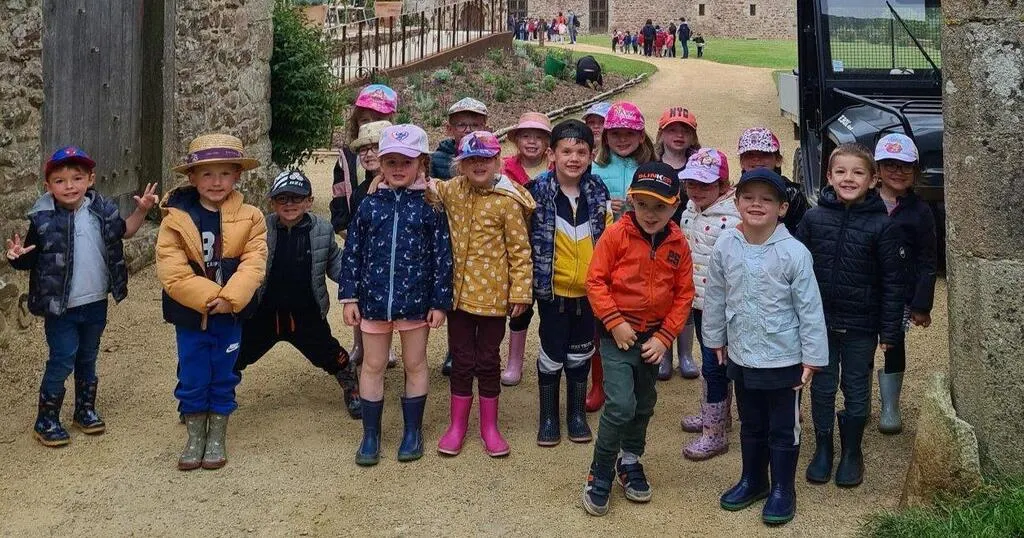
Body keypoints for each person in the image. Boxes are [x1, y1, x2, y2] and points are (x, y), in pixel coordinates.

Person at [7, 146, 157, 447]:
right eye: (60, 181)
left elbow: (124, 232)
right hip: (60, 307)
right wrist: (15, 257)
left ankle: (84, 409)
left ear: (90, 179)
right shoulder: (42, 219)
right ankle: (46, 418)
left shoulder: (102, 210)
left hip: (94, 302)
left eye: (77, 178)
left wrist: (142, 210)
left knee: (88, 357)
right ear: (48, 186)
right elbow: (29, 258)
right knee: (62, 358)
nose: (69, 186)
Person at [705, 167, 828, 526]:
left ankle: (782, 489)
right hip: (742, 353)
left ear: (782, 208)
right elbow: (715, 294)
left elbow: (809, 308)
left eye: (767, 199)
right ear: (736, 201)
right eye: (748, 197)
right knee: (751, 422)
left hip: (784, 356)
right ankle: (753, 479)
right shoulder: (726, 244)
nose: (756, 204)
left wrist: (813, 356)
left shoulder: (794, 253)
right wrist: (714, 337)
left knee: (783, 426)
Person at [581, 161, 695, 516]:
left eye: (660, 206)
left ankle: (629, 461)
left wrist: (665, 337)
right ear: (631, 200)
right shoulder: (616, 234)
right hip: (618, 336)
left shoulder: (679, 243)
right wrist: (614, 321)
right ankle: (599, 470)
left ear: (676, 205)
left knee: (644, 403)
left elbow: (683, 295)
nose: (650, 213)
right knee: (621, 405)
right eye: (642, 204)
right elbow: (595, 281)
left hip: (653, 339)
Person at [340, 124, 453, 467]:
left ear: (421, 162)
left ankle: (411, 431)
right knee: (372, 365)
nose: (399, 168)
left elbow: (442, 257)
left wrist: (439, 302)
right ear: (381, 164)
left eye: (407, 160)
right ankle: (371, 435)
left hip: (416, 304)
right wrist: (349, 297)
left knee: (415, 364)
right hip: (373, 303)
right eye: (391, 161)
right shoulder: (369, 205)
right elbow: (353, 253)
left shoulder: (431, 206)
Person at [795, 143, 904, 488]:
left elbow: (892, 281)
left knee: (856, 388)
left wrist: (890, 332)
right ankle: (824, 446)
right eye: (840, 171)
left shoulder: (882, 226)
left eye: (858, 172)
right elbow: (796, 270)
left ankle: (852, 450)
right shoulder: (813, 218)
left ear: (873, 180)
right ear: (828, 176)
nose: (848, 178)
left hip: (861, 325)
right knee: (822, 388)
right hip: (820, 324)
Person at [159, 133, 268, 471]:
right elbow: (172, 269)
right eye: (207, 174)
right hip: (192, 315)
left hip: (229, 315)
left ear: (238, 175)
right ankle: (194, 436)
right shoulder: (175, 219)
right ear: (192, 178)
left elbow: (254, 262)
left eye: (224, 173)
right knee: (192, 372)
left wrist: (230, 299)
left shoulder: (251, 217)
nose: (216, 182)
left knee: (224, 372)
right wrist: (210, 298)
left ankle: (217, 435)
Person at [430, 131, 535, 458]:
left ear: (496, 162)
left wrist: (520, 291)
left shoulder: (507, 201)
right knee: (461, 361)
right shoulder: (451, 191)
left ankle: (490, 427)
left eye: (485, 159)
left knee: (488, 361)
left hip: (492, 300)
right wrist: (380, 182)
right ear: (460, 164)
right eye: (471, 159)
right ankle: (457, 426)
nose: (479, 165)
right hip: (459, 300)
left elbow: (520, 251)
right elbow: (423, 186)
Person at [234, 170, 362, 421]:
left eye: (296, 198)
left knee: (330, 354)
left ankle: (352, 386)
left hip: (307, 312)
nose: (290, 204)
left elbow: (338, 267)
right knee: (236, 354)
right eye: (283, 199)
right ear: (272, 202)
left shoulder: (322, 230)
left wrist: (359, 284)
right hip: (264, 312)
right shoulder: (260, 228)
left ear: (309, 201)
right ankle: (217, 397)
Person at [528, 120, 612, 447]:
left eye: (581, 151)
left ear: (592, 155)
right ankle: (548, 416)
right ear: (552, 154)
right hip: (553, 292)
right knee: (551, 352)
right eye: (566, 151)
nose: (573, 158)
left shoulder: (597, 191)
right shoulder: (538, 191)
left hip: (589, 293)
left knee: (581, 352)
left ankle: (575, 414)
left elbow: (607, 236)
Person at [586, 101, 657, 413]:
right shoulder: (596, 167)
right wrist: (606, 208)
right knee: (603, 318)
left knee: (639, 313)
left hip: (643, 252)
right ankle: (600, 383)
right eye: (616, 133)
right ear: (605, 136)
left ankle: (637, 379)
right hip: (606, 249)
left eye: (630, 133)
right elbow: (585, 207)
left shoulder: (651, 168)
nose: (623, 139)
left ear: (641, 136)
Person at [677, 149, 741, 461]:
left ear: (723, 184)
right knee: (711, 362)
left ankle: (714, 434)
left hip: (723, 308)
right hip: (699, 303)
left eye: (705, 184)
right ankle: (717, 417)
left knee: (716, 365)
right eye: (691, 183)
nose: (697, 190)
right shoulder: (690, 210)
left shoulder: (731, 220)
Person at [873, 134, 937, 435]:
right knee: (858, 344)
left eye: (905, 167)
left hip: (899, 293)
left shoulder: (921, 211)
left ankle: (890, 404)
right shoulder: (864, 202)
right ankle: (858, 402)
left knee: (894, 344)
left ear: (916, 171)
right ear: (877, 169)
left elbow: (927, 258)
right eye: (890, 165)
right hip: (865, 288)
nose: (898, 172)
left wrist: (922, 304)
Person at [331, 84, 398, 370]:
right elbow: (338, 197)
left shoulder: (399, 158)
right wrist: (346, 229)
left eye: (378, 119)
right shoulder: (347, 159)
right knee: (357, 292)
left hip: (389, 241)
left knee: (389, 292)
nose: (370, 126)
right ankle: (360, 343)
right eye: (364, 120)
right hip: (358, 239)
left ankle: (386, 346)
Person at [431, 97, 489, 376]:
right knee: (454, 297)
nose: (467, 129)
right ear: (449, 128)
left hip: (479, 238)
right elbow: (425, 187)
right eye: (461, 124)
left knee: (480, 292)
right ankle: (456, 350)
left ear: (485, 126)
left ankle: (479, 348)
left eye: (475, 124)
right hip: (449, 234)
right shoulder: (438, 159)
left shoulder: (488, 157)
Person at [499, 112, 552, 387]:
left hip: (550, 246)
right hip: (514, 248)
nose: (532, 142)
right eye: (526, 136)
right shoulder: (504, 169)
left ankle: (547, 357)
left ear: (547, 142)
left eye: (539, 137)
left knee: (550, 304)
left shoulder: (557, 168)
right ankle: (514, 361)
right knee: (519, 304)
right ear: (517, 139)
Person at [655, 107, 701, 380]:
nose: (679, 135)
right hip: (659, 239)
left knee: (685, 298)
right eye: (673, 129)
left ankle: (685, 353)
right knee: (661, 296)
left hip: (690, 242)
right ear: (662, 133)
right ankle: (663, 354)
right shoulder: (653, 164)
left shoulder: (698, 165)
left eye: (685, 130)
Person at [737, 127, 808, 233]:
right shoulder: (735, 193)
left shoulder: (792, 194)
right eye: (750, 154)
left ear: (778, 160)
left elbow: (801, 232)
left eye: (764, 153)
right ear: (741, 162)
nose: (756, 158)